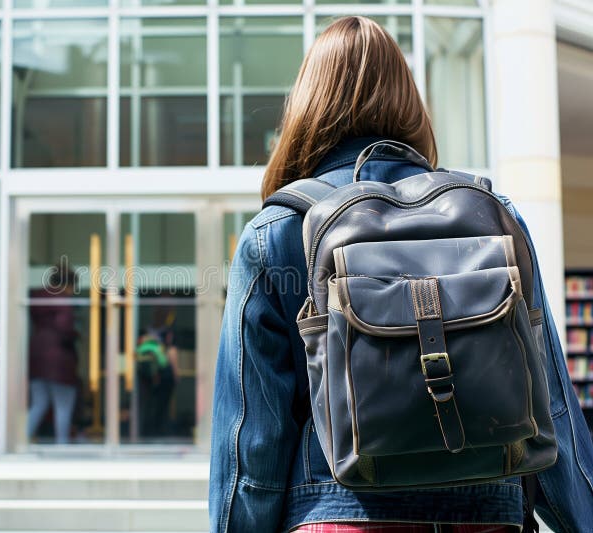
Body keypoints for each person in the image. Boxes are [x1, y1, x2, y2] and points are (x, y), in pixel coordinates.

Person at [209, 16, 593, 533]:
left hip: (340, 516)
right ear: (410, 103)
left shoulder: (278, 232)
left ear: (306, 106)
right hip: (486, 518)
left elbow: (250, 440)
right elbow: (552, 410)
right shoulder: (492, 219)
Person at [27, 262, 79, 444]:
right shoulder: (62, 300)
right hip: (59, 363)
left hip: (36, 358)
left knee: (39, 403)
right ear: (68, 284)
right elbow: (64, 328)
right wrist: (77, 335)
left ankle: (20, 441)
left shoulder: (37, 299)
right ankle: (62, 448)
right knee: (63, 407)